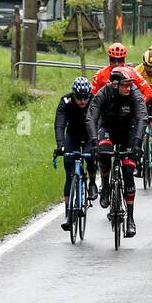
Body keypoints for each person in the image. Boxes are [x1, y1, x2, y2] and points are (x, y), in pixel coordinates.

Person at [85, 67, 145, 237]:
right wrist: (94, 143)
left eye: (130, 85)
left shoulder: (134, 94)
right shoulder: (104, 93)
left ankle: (131, 219)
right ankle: (105, 185)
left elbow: (142, 118)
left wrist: (138, 142)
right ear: (115, 84)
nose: (129, 88)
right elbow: (91, 118)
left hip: (129, 131)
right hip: (108, 129)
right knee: (104, 153)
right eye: (125, 85)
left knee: (127, 171)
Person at [54, 76, 96, 230]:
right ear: (74, 95)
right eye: (79, 98)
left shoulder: (95, 100)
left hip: (90, 136)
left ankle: (92, 183)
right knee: (69, 170)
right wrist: (60, 145)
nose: (83, 101)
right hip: (72, 136)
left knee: (91, 157)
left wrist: (98, 143)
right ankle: (68, 214)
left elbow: (101, 122)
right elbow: (59, 124)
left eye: (85, 98)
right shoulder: (66, 101)